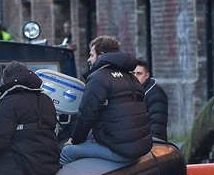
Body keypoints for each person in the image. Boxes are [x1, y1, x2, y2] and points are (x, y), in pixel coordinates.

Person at [61, 36, 152, 165]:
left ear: (101, 55)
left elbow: (86, 116)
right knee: (87, 136)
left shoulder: (98, 78)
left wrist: (74, 141)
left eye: (91, 55)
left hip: (121, 151)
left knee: (67, 151)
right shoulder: (131, 77)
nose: (88, 59)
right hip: (140, 147)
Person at [133, 57, 169, 141]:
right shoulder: (133, 91)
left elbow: (157, 125)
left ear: (147, 75)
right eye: (133, 73)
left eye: (139, 73)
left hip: (152, 144)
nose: (135, 76)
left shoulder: (156, 94)